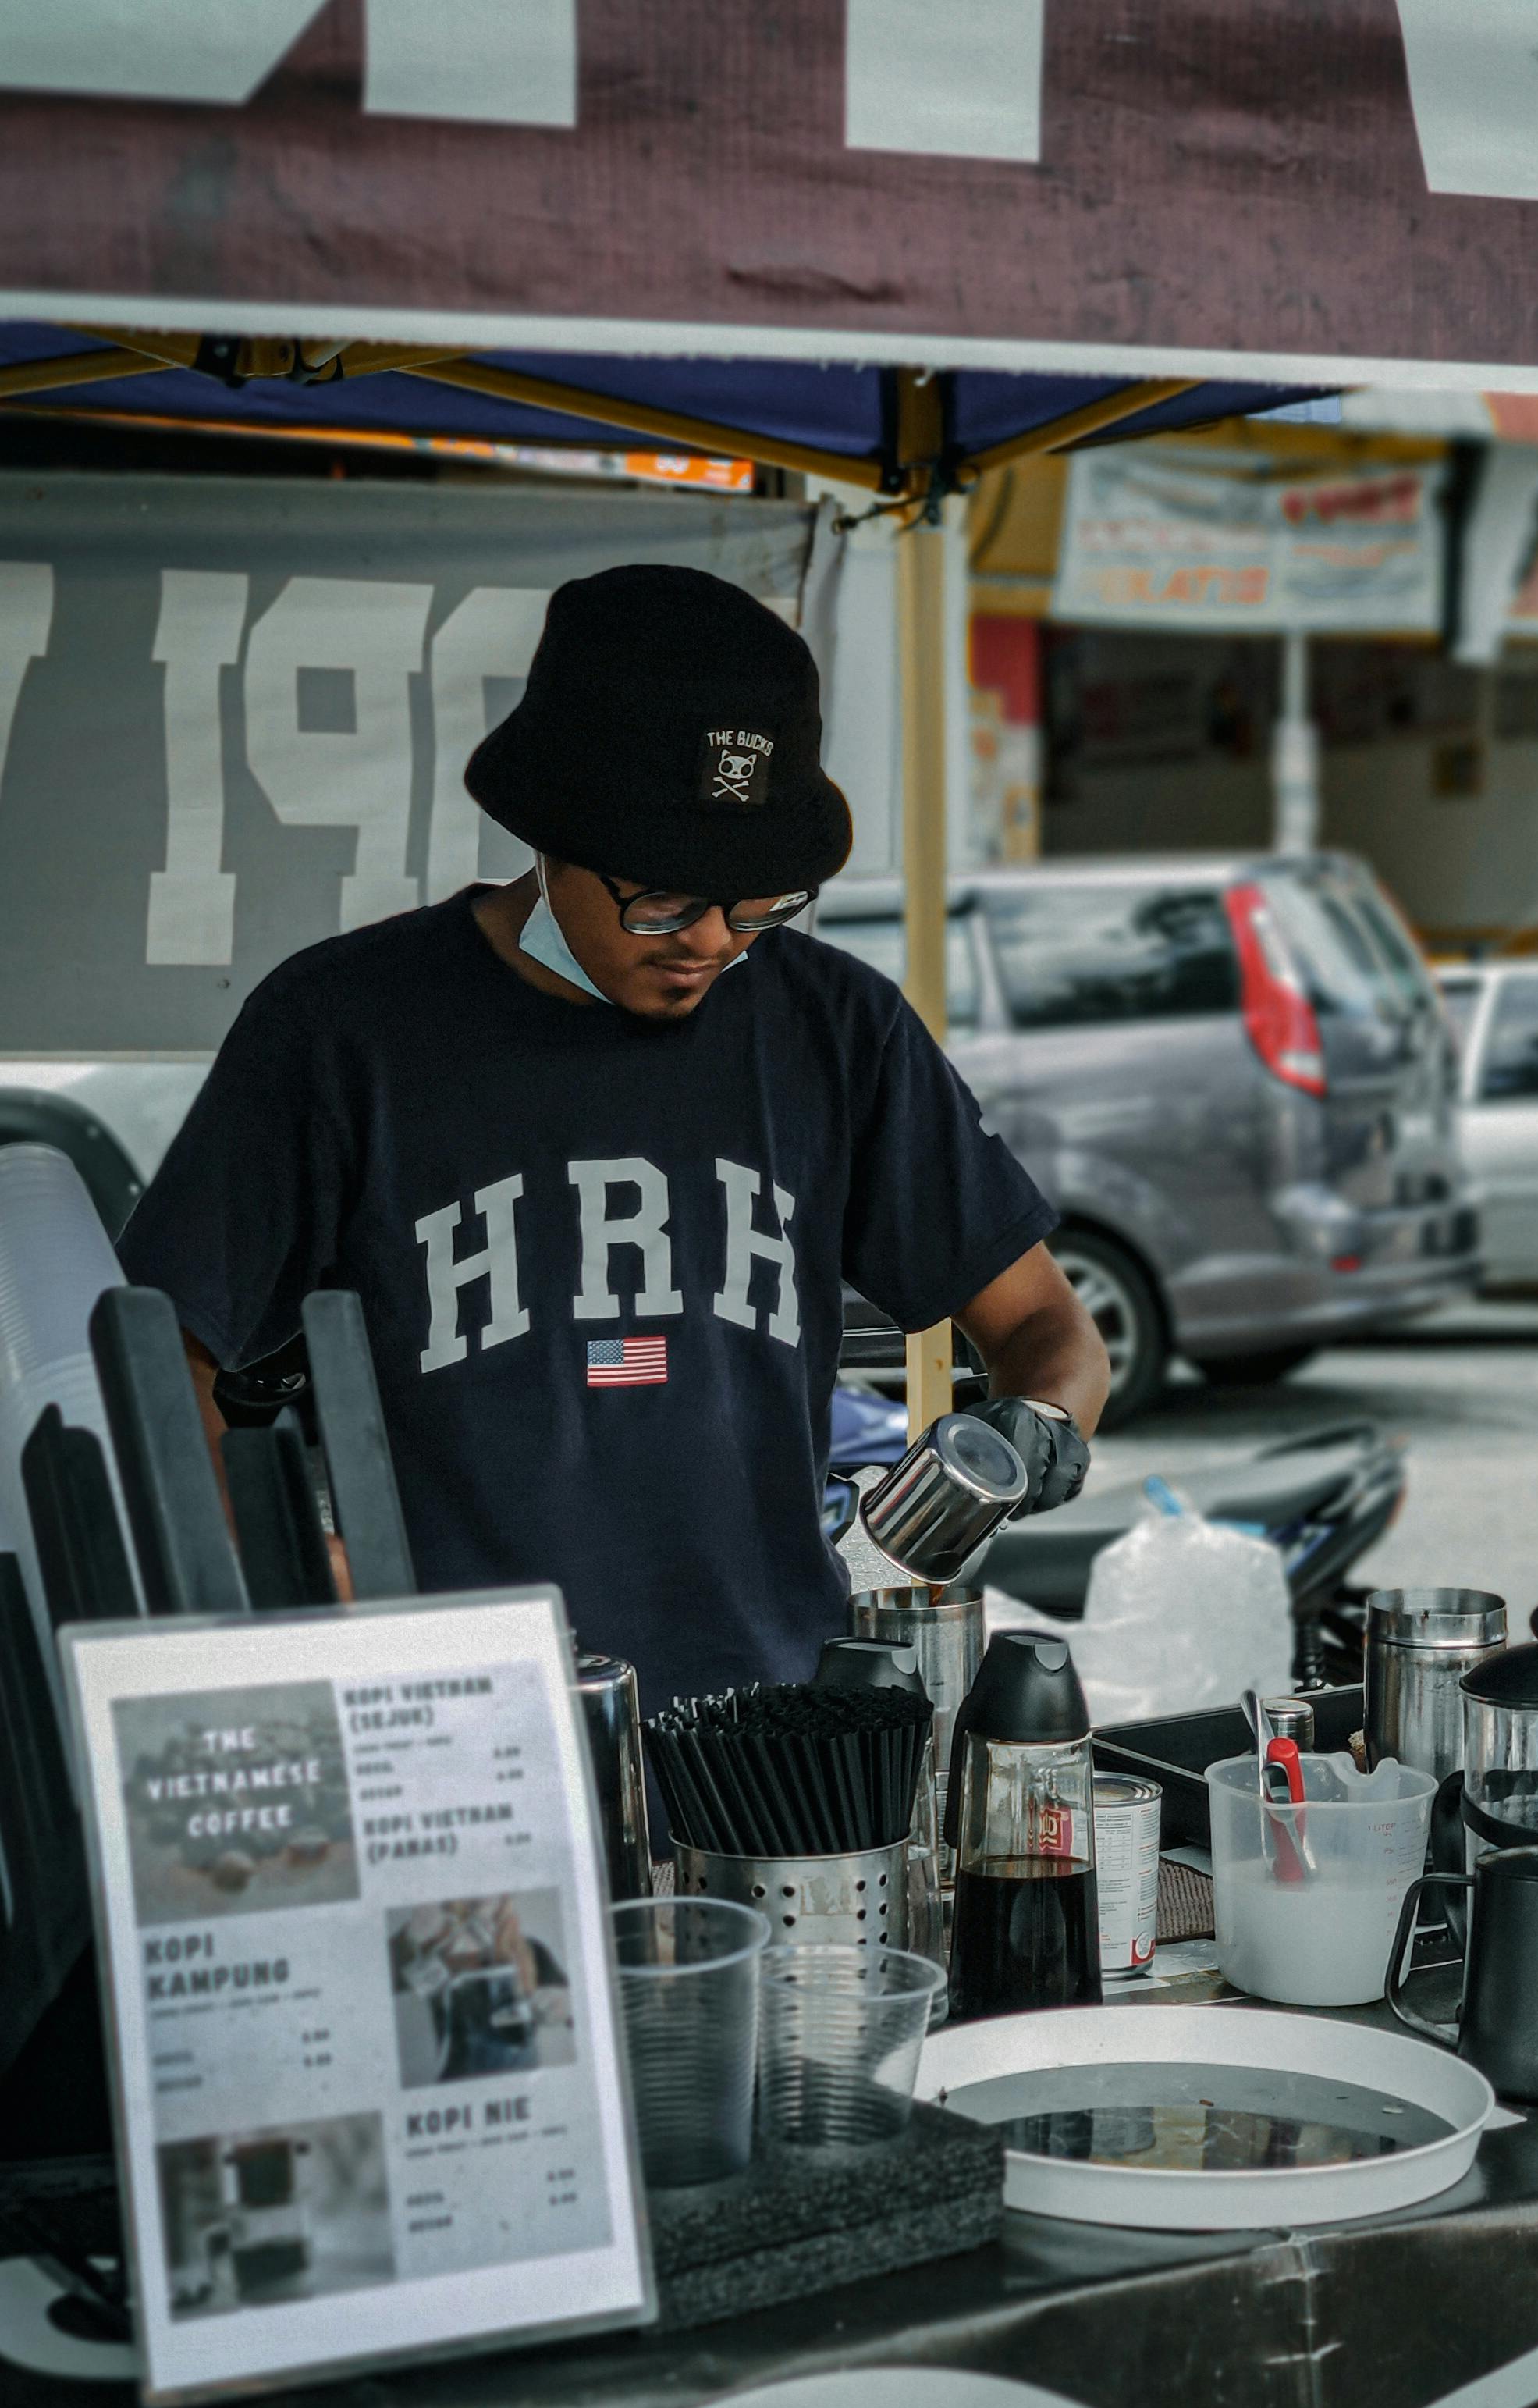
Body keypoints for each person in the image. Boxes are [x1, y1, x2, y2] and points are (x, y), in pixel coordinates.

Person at [121, 564, 1107, 1713]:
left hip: (771, 1735)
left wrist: (1036, 1426)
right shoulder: (345, 1031)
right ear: (553, 837)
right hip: (455, 1723)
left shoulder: (835, 1030)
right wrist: (276, 1568)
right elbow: (153, 1356)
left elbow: (1048, 1328)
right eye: (664, 902)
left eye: (754, 907)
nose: (708, 944)